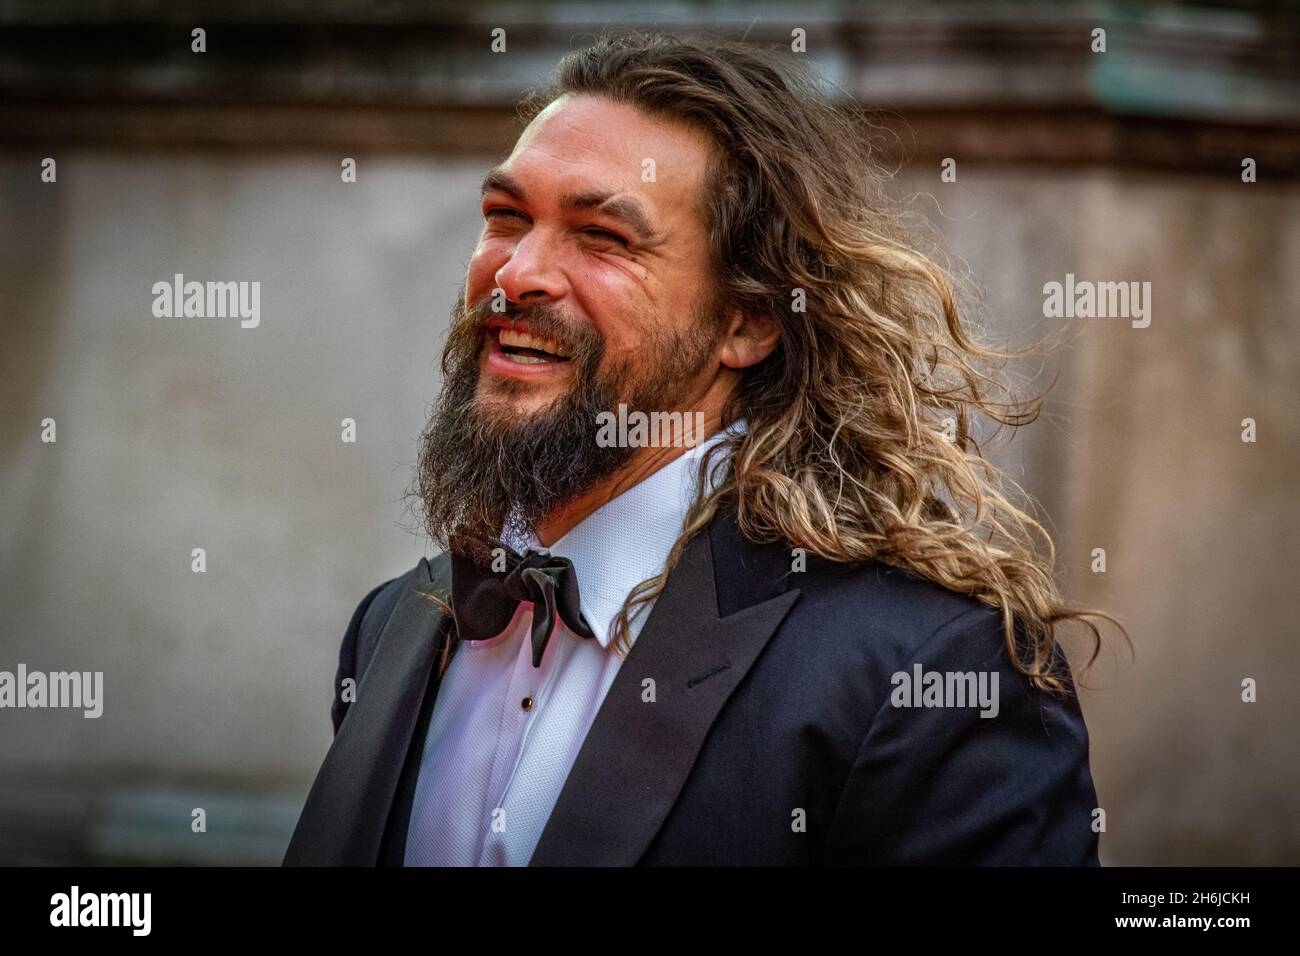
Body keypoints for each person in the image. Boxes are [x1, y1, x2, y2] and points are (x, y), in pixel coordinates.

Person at [284, 31, 1120, 867]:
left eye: (602, 237)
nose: (516, 274)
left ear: (748, 321)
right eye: (507, 218)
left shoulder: (928, 672)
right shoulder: (394, 624)